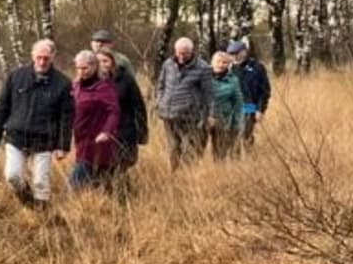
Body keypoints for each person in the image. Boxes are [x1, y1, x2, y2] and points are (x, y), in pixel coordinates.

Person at [0, 39, 74, 206]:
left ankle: (42, 213)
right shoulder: (16, 76)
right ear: (32, 55)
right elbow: (2, 107)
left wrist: (63, 145)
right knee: (12, 176)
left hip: (44, 139)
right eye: (38, 57)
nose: (42, 62)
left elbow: (66, 116)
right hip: (15, 136)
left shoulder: (63, 83)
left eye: (46, 58)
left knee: (41, 182)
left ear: (53, 57)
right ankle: (28, 202)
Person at [155, 37, 212, 170]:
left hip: (190, 117)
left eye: (185, 53)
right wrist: (160, 101)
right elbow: (161, 85)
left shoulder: (203, 68)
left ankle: (188, 179)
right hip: (168, 115)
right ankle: (174, 177)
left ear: (192, 52)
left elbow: (209, 94)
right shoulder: (168, 64)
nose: (181, 56)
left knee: (190, 151)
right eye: (179, 52)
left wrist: (209, 115)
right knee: (173, 148)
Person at [69, 51, 122, 191]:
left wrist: (107, 131)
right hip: (80, 138)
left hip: (98, 140)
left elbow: (114, 111)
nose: (82, 72)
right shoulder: (76, 86)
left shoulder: (104, 87)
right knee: (95, 180)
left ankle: (72, 204)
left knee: (76, 181)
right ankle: (95, 205)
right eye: (79, 68)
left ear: (94, 67)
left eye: (85, 68)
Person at [98, 50, 148, 179]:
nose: (102, 64)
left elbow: (138, 106)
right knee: (104, 167)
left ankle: (124, 195)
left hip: (124, 129)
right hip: (101, 131)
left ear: (113, 63)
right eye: (99, 62)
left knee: (122, 164)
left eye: (105, 61)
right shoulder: (91, 81)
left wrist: (142, 132)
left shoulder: (126, 79)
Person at [227, 40, 271, 148]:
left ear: (244, 52)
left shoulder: (257, 67)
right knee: (230, 137)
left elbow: (264, 91)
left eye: (237, 53)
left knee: (246, 135)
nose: (234, 57)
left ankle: (247, 158)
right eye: (231, 54)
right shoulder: (227, 68)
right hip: (230, 108)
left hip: (249, 106)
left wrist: (260, 109)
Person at [206, 51, 246, 161]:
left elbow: (238, 103)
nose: (221, 65)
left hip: (223, 120)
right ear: (212, 63)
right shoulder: (204, 77)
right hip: (204, 119)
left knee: (220, 153)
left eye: (224, 62)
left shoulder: (233, 80)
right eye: (218, 62)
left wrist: (237, 123)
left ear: (229, 65)